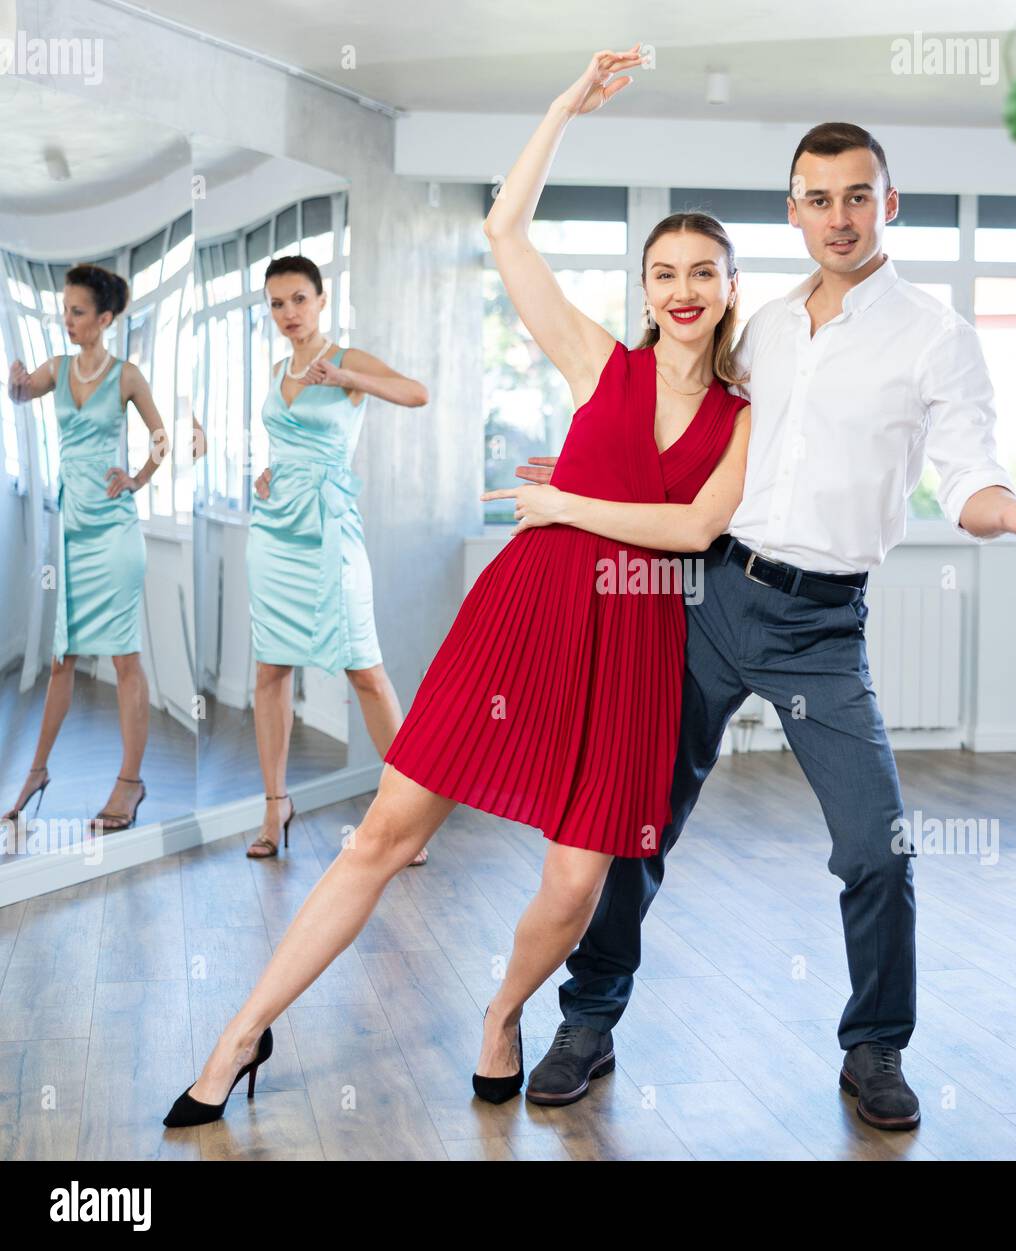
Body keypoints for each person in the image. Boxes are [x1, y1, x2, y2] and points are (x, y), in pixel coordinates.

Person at [162, 42, 753, 1129]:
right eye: (663, 273)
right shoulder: (595, 362)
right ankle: (239, 1033)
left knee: (576, 886)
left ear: (727, 290)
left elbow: (695, 525)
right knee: (384, 836)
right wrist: (569, 99)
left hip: (633, 648)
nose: (681, 291)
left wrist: (565, 500)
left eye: (702, 274)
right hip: (525, 622)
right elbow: (502, 230)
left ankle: (503, 1012)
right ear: (644, 288)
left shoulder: (744, 413)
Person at [521, 121, 1016, 1130]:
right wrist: (580, 479)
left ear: (888, 204)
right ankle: (587, 1021)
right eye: (817, 199)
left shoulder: (936, 337)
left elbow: (967, 475)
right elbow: (679, 428)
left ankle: (875, 1047)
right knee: (632, 828)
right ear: (793, 212)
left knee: (876, 847)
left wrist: (1012, 511)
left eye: (857, 196)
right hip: (709, 598)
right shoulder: (761, 327)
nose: (838, 217)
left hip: (818, 628)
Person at [244, 255, 430, 866]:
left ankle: (407, 817)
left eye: (298, 299)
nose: (288, 314)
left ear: (322, 301)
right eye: (276, 303)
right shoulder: (275, 370)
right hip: (274, 536)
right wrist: (268, 475)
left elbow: (415, 392)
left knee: (365, 671)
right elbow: (284, 442)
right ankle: (275, 806)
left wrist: (349, 382)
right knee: (271, 670)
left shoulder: (347, 362)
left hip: (331, 531)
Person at [4, 264, 170, 833]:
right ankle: (37, 771)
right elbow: (22, 396)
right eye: (64, 310)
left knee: (125, 659)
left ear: (104, 319)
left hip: (116, 537)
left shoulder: (127, 376)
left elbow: (161, 436)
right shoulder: (58, 368)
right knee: (61, 660)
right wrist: (15, 381)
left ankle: (130, 782)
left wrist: (138, 478)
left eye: (77, 312)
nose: (67, 320)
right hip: (72, 536)